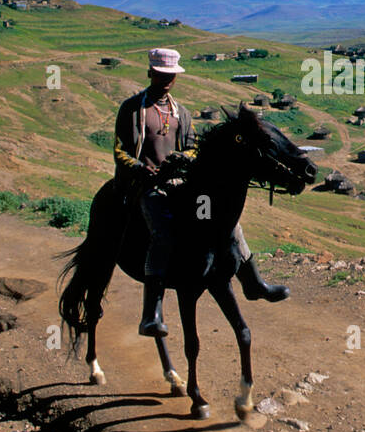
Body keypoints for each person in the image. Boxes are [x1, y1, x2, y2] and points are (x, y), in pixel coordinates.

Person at [114, 47, 287, 337]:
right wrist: (142, 170)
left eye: (172, 74)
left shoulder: (180, 111)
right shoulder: (133, 109)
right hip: (148, 186)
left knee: (226, 222)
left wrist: (186, 159)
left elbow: (192, 147)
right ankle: (151, 313)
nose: (168, 79)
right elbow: (120, 151)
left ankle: (254, 282)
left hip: (180, 184)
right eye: (162, 73)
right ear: (151, 72)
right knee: (162, 233)